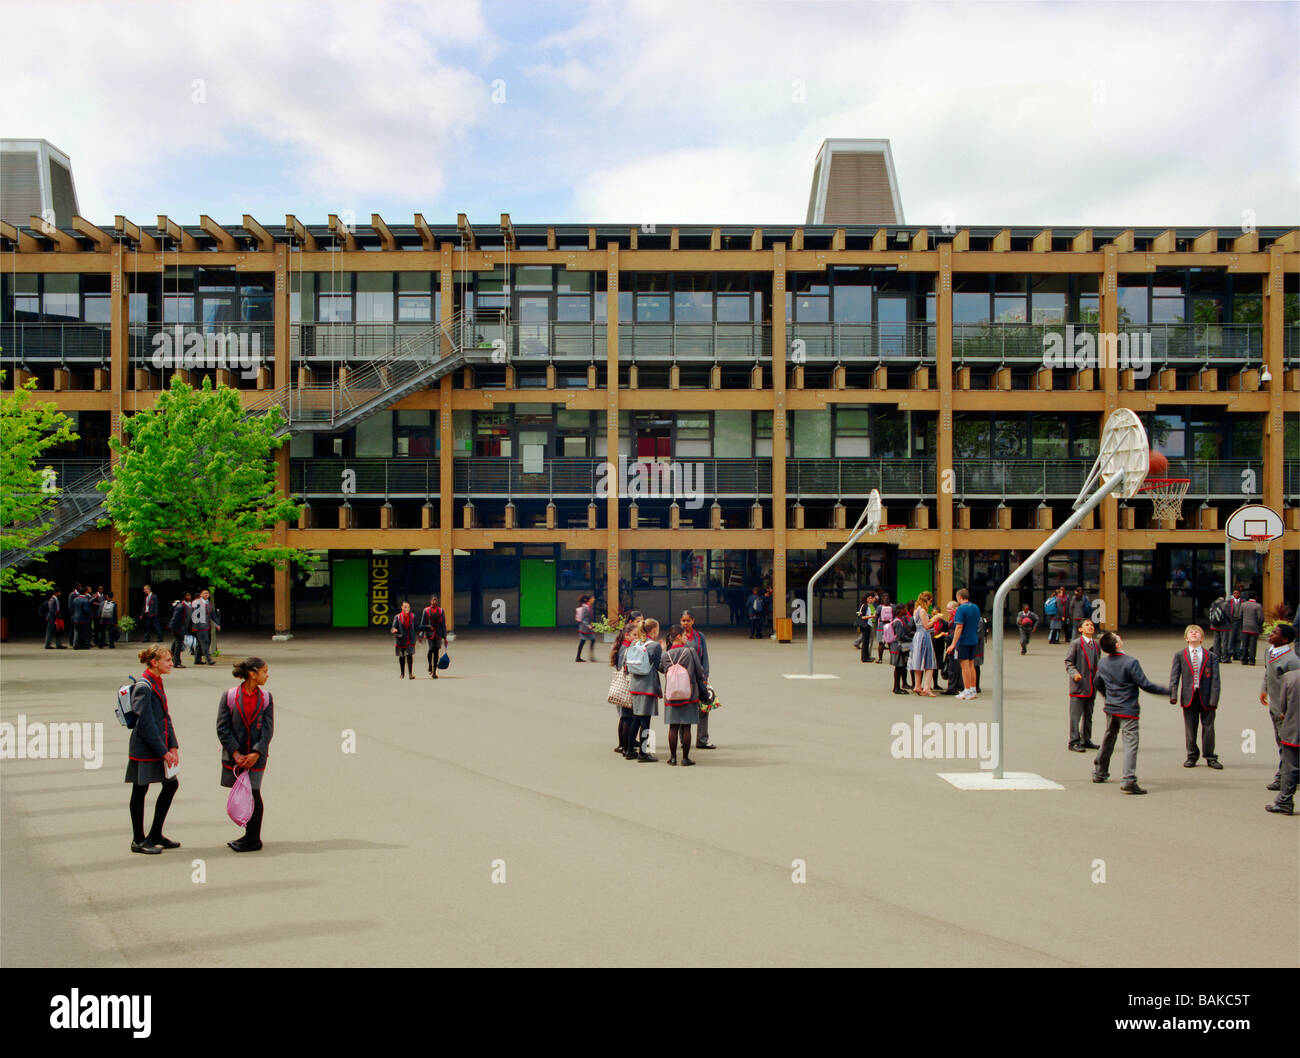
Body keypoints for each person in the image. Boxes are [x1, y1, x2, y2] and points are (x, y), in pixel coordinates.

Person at [1092, 632, 1171, 795]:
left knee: (1109, 737)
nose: (1119, 637)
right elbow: (1145, 684)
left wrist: (1108, 696)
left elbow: (1097, 682)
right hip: (1128, 708)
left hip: (1112, 707)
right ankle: (1129, 779)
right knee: (1130, 743)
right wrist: (1166, 691)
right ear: (1117, 645)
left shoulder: (1103, 662)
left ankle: (1100, 771)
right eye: (1117, 637)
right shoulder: (1130, 662)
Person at [124, 645, 181, 854]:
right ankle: (138, 840)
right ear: (154, 663)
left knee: (170, 785)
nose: (171, 663)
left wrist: (173, 745)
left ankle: (155, 833)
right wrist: (163, 752)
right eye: (167, 660)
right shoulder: (144, 686)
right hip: (146, 749)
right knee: (140, 790)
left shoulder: (157, 682)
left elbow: (165, 717)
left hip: (159, 745)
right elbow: (146, 724)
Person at [218, 656, 275, 852]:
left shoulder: (266, 698)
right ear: (253, 674)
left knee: (253, 793)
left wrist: (256, 753)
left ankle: (253, 838)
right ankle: (249, 835)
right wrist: (235, 753)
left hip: (256, 758)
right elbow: (222, 727)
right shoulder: (230, 696)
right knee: (246, 793)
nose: (267, 675)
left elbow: (268, 730)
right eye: (264, 671)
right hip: (237, 757)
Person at [1169, 624, 1221, 769]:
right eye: (1190, 632)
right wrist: (1173, 694)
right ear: (1186, 638)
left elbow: (1216, 680)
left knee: (1209, 728)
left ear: (1202, 638)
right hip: (1189, 696)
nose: (1194, 634)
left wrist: (1214, 699)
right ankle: (1191, 755)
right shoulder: (1180, 655)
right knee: (1190, 728)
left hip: (1206, 696)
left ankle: (1210, 756)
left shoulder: (1211, 656)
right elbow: (1174, 676)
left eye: (1197, 632)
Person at [660, 623, 706, 766]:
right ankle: (685, 758)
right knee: (686, 727)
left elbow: (662, 669)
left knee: (673, 727)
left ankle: (673, 758)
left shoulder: (666, 654)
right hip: (689, 693)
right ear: (679, 636)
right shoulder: (690, 651)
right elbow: (699, 671)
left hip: (672, 694)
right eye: (684, 635)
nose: (686, 637)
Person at [1261, 624, 1298, 792]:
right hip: (1274, 706)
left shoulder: (1292, 661)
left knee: (1286, 745)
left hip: (1286, 711)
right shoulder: (1269, 652)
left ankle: (1283, 777)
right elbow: (1267, 673)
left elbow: (1295, 686)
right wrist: (1264, 689)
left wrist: (1288, 710)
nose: (1271, 634)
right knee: (1280, 742)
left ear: (1284, 639)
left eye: (1275, 633)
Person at [625, 618, 662, 761]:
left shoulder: (635, 643)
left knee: (636, 718)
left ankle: (629, 750)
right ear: (653, 630)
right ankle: (644, 752)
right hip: (648, 686)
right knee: (646, 720)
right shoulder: (655, 646)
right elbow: (659, 666)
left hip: (635, 685)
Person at [1064, 618, 1101, 751]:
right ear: (1080, 629)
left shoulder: (1096, 645)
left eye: (1091, 625)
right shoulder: (1076, 644)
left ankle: (1086, 739)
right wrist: (1075, 673)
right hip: (1079, 686)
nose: (1090, 627)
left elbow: (1098, 664)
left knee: (1088, 715)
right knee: (1075, 716)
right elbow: (1068, 662)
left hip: (1091, 686)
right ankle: (1073, 741)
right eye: (1087, 625)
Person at [679, 610, 715, 748]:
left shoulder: (700, 636)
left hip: (699, 678)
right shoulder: (676, 635)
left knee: (704, 708)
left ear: (693, 621)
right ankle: (683, 740)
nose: (686, 623)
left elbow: (704, 657)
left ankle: (702, 739)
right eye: (683, 620)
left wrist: (705, 676)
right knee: (683, 708)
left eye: (688, 620)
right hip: (682, 679)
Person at [1267, 668, 1299, 815]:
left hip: (1294, 730)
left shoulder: (1290, 677)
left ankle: (1285, 801)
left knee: (1290, 768)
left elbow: (1283, 707)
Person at [611, 611, 644, 754]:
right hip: (627, 684)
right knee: (627, 717)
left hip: (622, 683)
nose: (636, 637)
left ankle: (624, 744)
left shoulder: (622, 646)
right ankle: (624, 746)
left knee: (625, 717)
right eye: (634, 635)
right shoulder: (627, 649)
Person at [946, 588, 983, 701]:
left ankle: (966, 690)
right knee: (972, 665)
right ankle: (972, 689)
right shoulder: (975, 607)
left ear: (959, 597)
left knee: (964, 666)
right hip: (974, 639)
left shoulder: (961, 609)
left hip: (964, 640)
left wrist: (953, 644)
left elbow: (959, 627)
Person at [420, 595, 448, 677]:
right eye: (433, 600)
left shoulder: (441, 611)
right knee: (431, 649)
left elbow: (443, 625)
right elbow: (423, 623)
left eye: (435, 600)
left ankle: (434, 671)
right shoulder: (426, 610)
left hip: (438, 633)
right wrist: (421, 634)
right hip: (429, 633)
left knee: (436, 651)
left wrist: (445, 637)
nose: (434, 601)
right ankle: (430, 664)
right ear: (430, 601)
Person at [889, 600, 913, 694]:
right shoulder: (898, 622)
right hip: (898, 646)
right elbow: (901, 636)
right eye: (905, 609)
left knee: (899, 667)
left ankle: (897, 687)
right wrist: (911, 638)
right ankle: (896, 688)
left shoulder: (898, 620)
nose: (906, 610)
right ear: (901, 610)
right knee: (898, 667)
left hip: (895, 646)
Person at [190, 589, 218, 665]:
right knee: (205, 642)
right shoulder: (197, 602)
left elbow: (213, 614)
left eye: (207, 593)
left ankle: (197, 659)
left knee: (200, 643)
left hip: (206, 626)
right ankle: (209, 659)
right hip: (200, 626)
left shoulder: (208, 603)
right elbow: (194, 615)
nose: (206, 594)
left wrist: (217, 624)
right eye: (204, 593)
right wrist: (194, 625)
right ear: (201, 595)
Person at [391, 600, 417, 679]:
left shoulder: (413, 616)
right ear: (402, 607)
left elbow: (416, 627)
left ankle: (410, 674)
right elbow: (393, 627)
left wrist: (426, 628)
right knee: (402, 657)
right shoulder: (397, 617)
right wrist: (394, 629)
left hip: (410, 639)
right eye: (405, 607)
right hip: (401, 640)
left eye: (408, 607)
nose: (407, 608)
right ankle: (402, 673)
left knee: (409, 656)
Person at [1239, 592, 1264, 666]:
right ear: (1255, 597)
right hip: (1254, 628)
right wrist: (1259, 625)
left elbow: (1240, 616)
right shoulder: (1258, 606)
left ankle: (1244, 659)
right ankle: (1252, 660)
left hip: (1245, 627)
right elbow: (1260, 618)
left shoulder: (1243, 605)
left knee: (1245, 644)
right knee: (1253, 644)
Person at [169, 592, 192, 668]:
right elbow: (176, 619)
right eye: (187, 595)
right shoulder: (181, 606)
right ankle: (177, 662)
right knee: (178, 645)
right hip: (179, 628)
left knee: (175, 644)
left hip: (182, 628)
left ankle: (171, 659)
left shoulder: (188, 605)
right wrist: (176, 629)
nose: (189, 597)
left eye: (189, 595)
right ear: (184, 597)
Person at [1223, 586, 1244, 663]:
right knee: (1231, 638)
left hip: (1239, 621)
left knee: (1238, 638)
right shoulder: (1229, 602)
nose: (1236, 594)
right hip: (1232, 621)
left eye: (1237, 593)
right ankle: (1230, 653)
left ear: (1240, 594)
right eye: (1234, 593)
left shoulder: (1243, 602)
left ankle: (1237, 653)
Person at [574, 594, 596, 662]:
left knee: (587, 641)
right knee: (586, 641)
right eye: (592, 598)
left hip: (585, 628)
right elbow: (583, 619)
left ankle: (580, 657)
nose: (594, 599)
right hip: (584, 628)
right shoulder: (586, 607)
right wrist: (588, 625)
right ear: (589, 600)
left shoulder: (588, 606)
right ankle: (582, 657)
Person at [1207, 593, 1228, 659]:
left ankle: (1216, 656)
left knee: (1216, 641)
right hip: (1224, 625)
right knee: (1224, 641)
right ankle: (1224, 657)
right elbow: (1228, 614)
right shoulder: (1225, 603)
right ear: (1225, 595)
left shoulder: (1214, 602)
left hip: (1214, 625)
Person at [876, 594, 893, 664]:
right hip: (890, 626)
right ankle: (893, 659)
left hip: (881, 626)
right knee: (890, 643)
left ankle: (880, 659)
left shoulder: (879, 607)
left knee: (881, 643)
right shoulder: (892, 606)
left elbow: (876, 615)